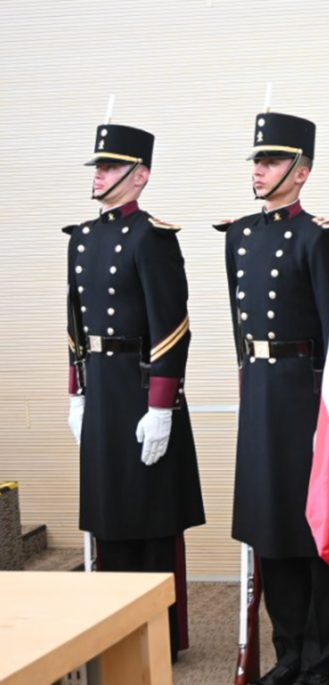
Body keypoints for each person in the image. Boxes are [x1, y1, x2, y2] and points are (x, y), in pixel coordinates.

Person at [66, 120, 204, 662]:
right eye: (97, 166)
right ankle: (113, 632)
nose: (97, 175)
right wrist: (76, 391)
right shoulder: (82, 237)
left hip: (140, 388)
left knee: (151, 519)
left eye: (108, 167)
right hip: (101, 388)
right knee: (108, 515)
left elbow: (173, 325)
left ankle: (161, 639)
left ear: (139, 176)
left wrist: (161, 406)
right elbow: (74, 322)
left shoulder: (153, 237)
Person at [215, 110, 329, 685]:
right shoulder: (240, 235)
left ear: (302, 170)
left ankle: (321, 660)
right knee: (270, 530)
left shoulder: (319, 235)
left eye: (272, 161)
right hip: (261, 396)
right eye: (258, 160)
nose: (260, 170)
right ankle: (287, 652)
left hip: (305, 394)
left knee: (311, 531)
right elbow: (239, 327)